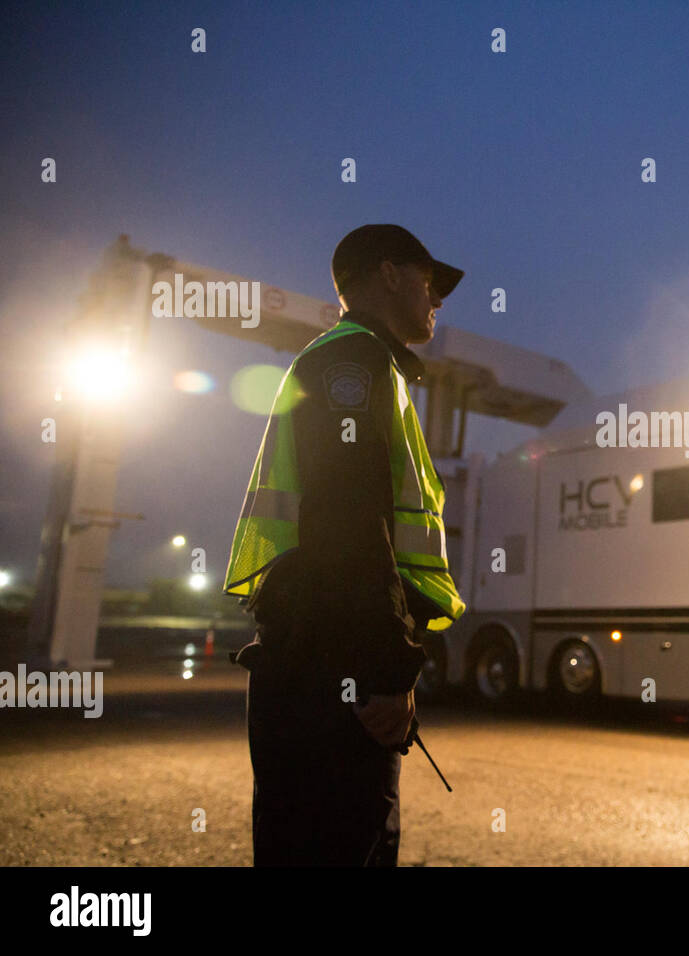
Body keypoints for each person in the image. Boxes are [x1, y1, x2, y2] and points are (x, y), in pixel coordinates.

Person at [223, 224, 467, 866]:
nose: (437, 298)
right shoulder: (351, 365)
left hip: (320, 662)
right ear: (387, 273)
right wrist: (386, 674)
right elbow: (348, 522)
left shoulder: (359, 364)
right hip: (331, 673)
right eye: (428, 280)